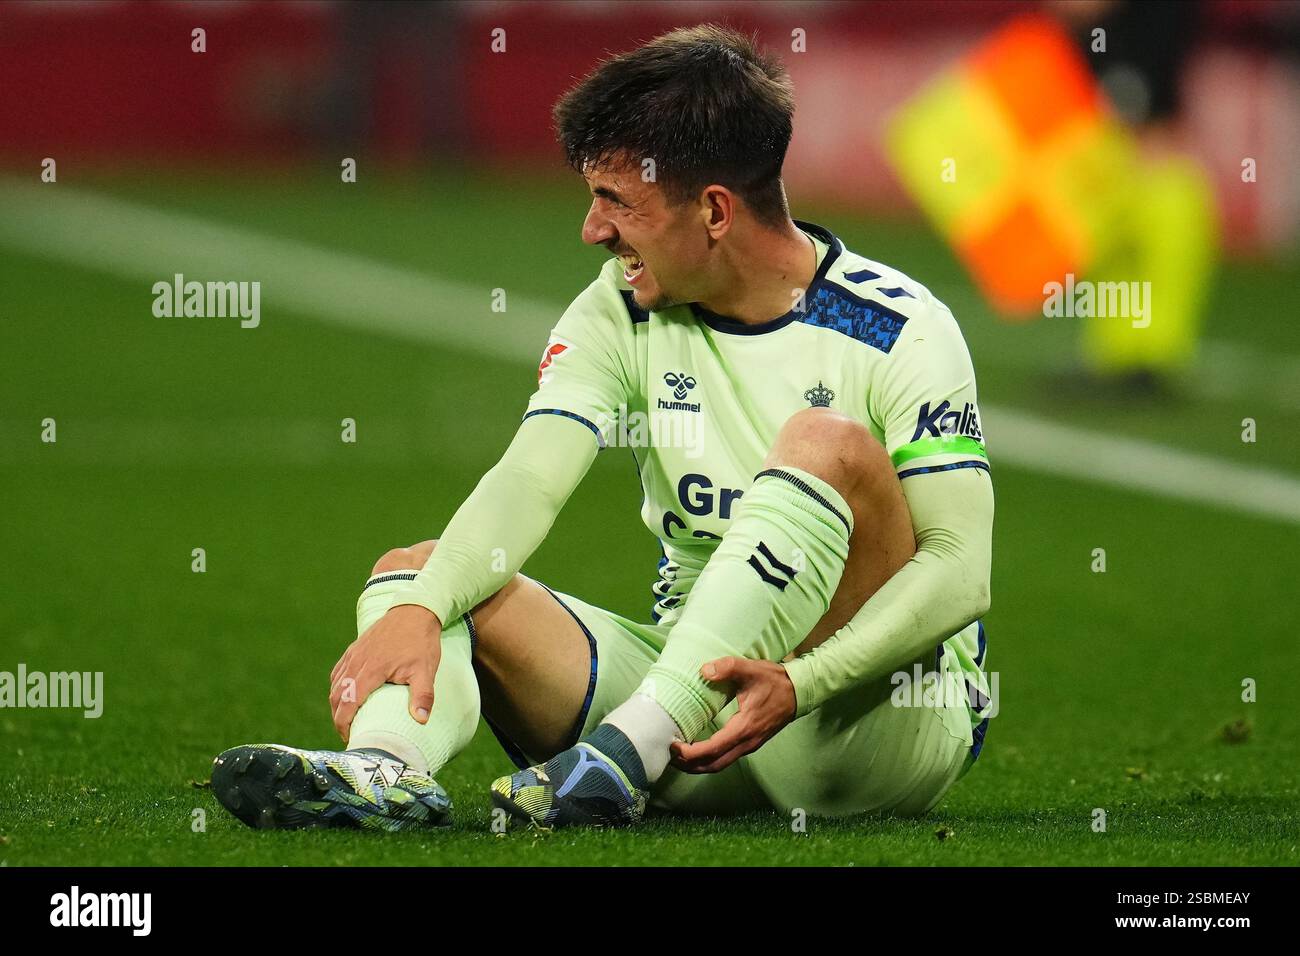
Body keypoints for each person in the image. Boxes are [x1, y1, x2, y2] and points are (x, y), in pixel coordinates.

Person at [211, 24, 994, 832]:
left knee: (824, 443)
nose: (593, 228)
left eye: (617, 200)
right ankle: (385, 771)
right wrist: (423, 606)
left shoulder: (897, 327)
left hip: (858, 728)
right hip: (692, 716)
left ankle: (629, 748)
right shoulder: (618, 308)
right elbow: (530, 477)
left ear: (715, 211)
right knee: (424, 573)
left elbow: (961, 571)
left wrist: (805, 681)